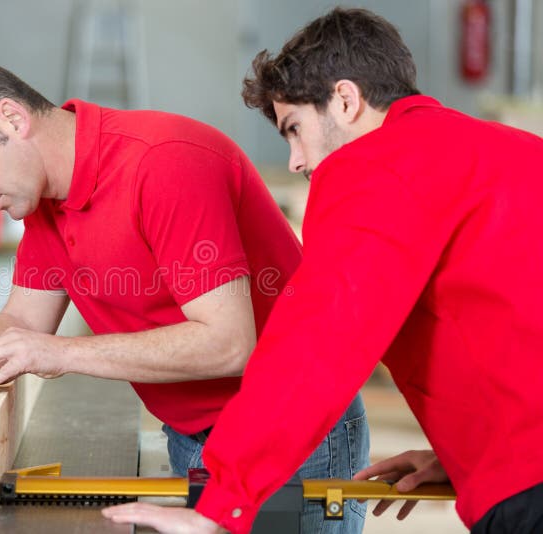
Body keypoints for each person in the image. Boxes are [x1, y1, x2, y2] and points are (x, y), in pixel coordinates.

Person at [0, 60, 370, 533]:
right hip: (196, 440)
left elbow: (230, 344)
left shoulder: (163, 163)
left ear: (12, 117)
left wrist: (63, 353)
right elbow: (23, 324)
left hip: (294, 436)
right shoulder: (46, 204)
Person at [102, 7, 543, 534]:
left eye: (295, 129)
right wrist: (469, 453)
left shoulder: (372, 168)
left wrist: (223, 500)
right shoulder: (514, 152)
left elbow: (318, 341)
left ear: (346, 99)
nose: (295, 161)